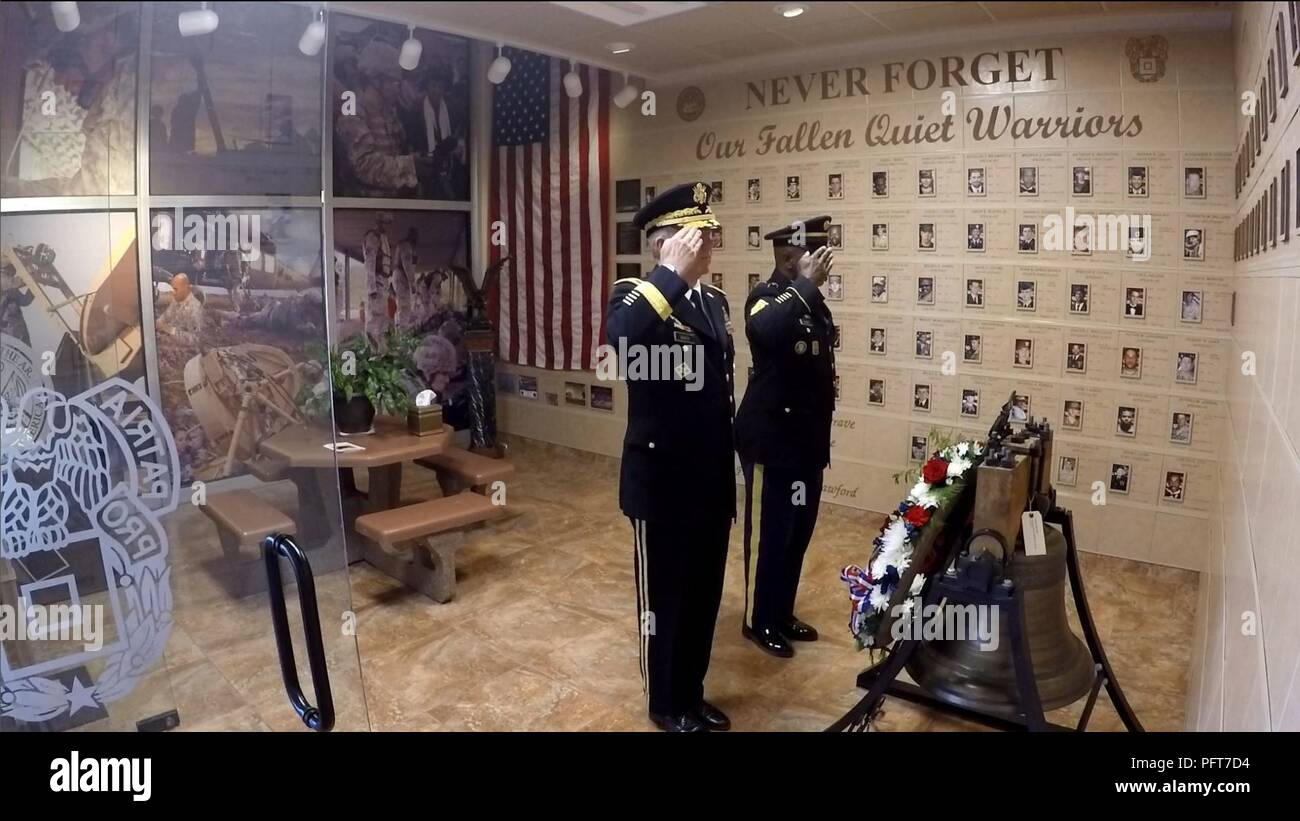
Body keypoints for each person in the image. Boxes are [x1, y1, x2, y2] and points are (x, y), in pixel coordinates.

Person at [606, 182, 735, 733]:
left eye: (708, 234)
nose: (709, 243)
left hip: (709, 475)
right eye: (696, 235)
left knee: (704, 594)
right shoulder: (636, 295)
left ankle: (692, 691)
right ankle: (665, 702)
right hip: (662, 479)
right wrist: (669, 275)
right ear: (666, 242)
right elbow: (619, 343)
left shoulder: (715, 301)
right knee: (668, 599)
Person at [734, 216, 836, 659]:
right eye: (813, 256)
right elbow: (765, 332)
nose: (823, 265)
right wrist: (806, 287)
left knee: (797, 531)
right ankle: (759, 620)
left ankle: (782, 611)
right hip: (770, 441)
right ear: (791, 257)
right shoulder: (766, 296)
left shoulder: (810, 302)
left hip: (806, 442)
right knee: (769, 536)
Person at [155, 273, 204, 348]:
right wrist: (158, 324)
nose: (172, 292)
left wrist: (168, 329)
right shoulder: (178, 300)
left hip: (180, 347)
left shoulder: (194, 311)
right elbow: (166, 317)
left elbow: (194, 339)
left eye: (175, 289)